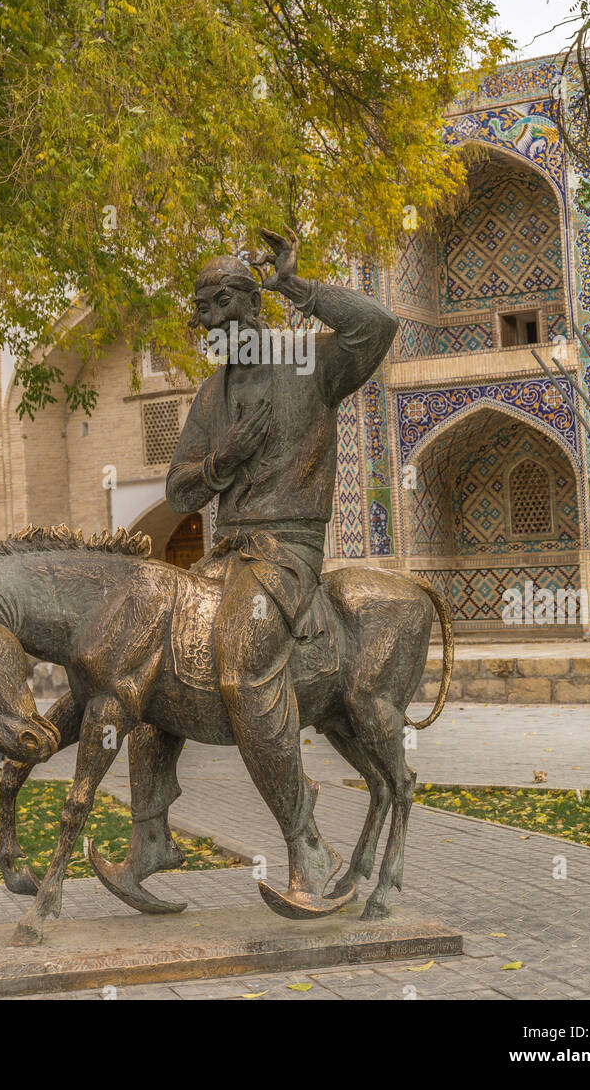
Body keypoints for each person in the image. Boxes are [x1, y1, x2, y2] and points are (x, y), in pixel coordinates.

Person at [164, 227, 397, 915]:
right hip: (224, 553)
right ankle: (151, 838)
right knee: (145, 657)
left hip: (286, 553)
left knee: (241, 665)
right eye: (202, 313)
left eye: (218, 308)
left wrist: (295, 284)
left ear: (249, 303)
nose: (209, 325)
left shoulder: (311, 363)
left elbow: (379, 325)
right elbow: (179, 492)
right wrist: (221, 459)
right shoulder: (211, 398)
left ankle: (306, 843)